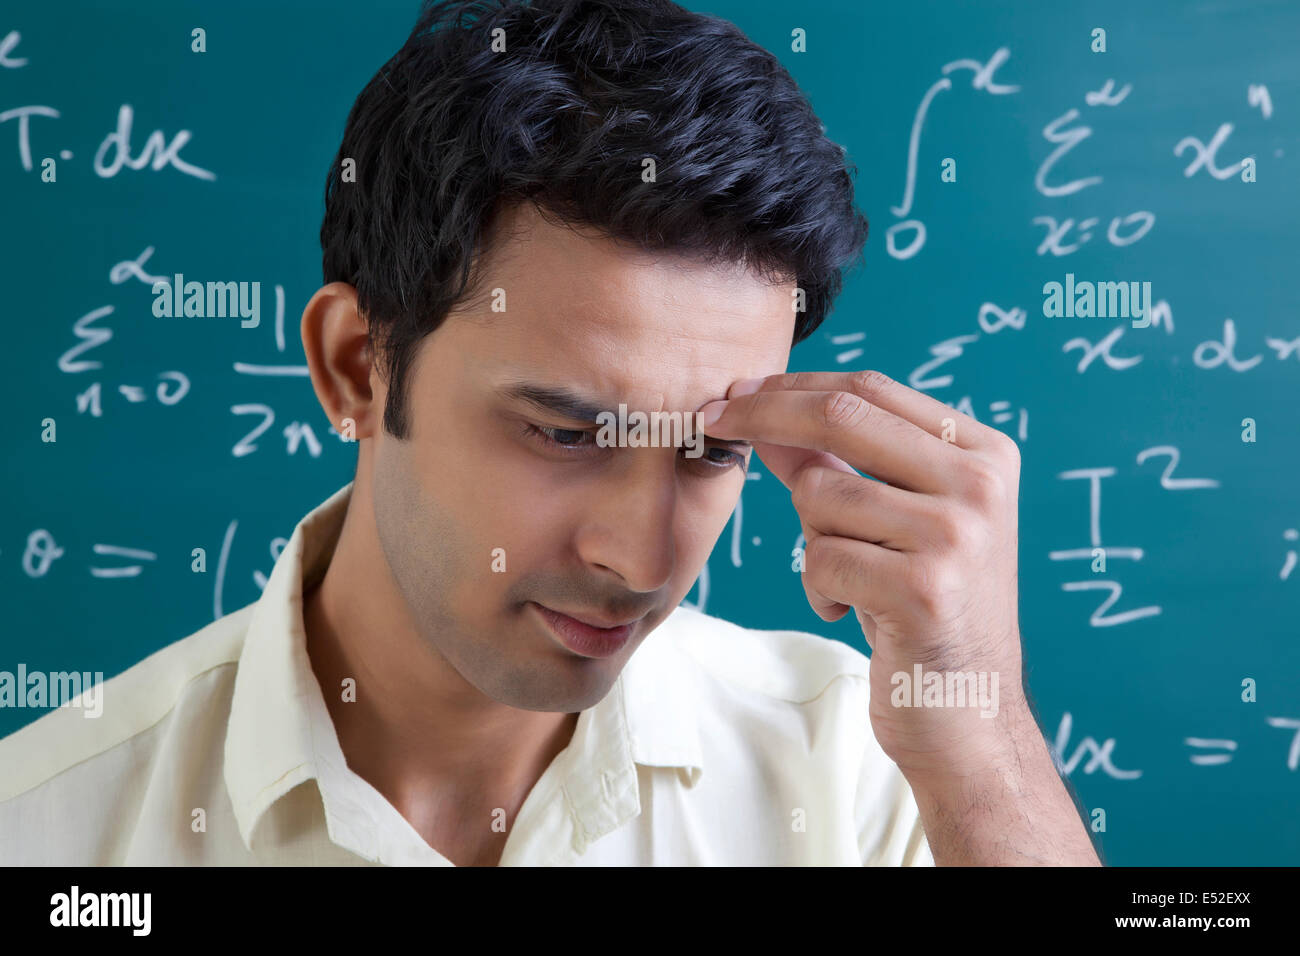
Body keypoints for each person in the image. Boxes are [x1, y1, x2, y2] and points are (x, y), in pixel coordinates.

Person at [0, 0, 1100, 866]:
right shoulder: (46, 831)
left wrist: (983, 756)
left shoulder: (868, 778)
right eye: (566, 434)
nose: (643, 559)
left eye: (713, 450)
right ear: (354, 367)